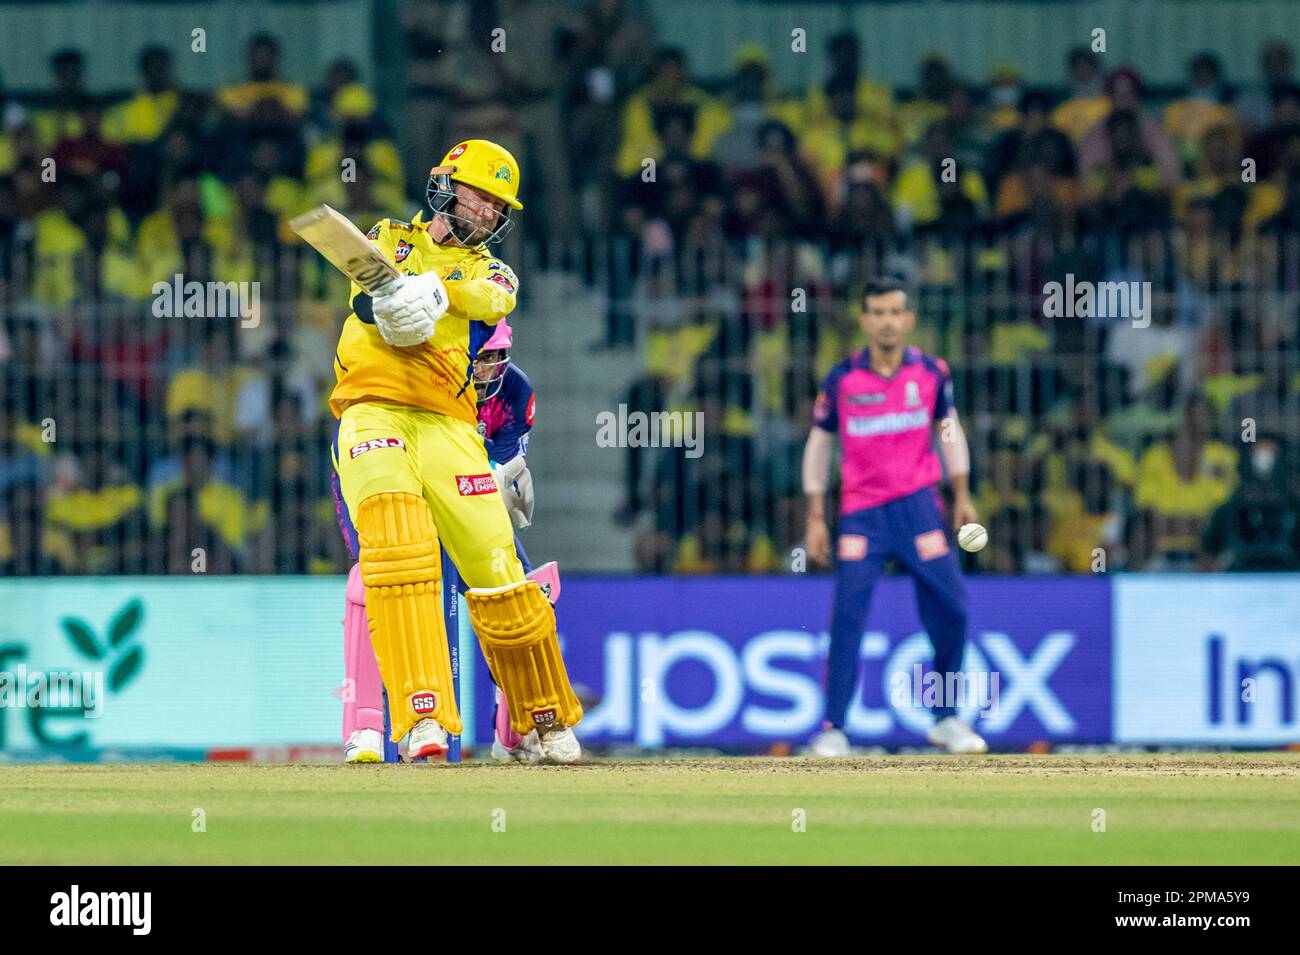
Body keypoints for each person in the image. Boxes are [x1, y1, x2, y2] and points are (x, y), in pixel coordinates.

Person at [330, 138, 583, 765]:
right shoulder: (389, 237)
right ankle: (422, 721)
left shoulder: (488, 268)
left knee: (499, 571)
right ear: (445, 184)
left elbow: (497, 297)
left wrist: (433, 294)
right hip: (372, 411)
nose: (490, 215)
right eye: (481, 198)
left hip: (449, 423)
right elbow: (363, 288)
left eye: (500, 208)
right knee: (398, 546)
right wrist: (387, 304)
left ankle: (545, 714)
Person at [803, 278, 987, 756]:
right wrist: (815, 515)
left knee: (953, 609)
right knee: (848, 617)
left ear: (908, 319)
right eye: (877, 312)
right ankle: (834, 728)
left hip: (920, 507)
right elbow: (820, 444)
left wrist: (962, 493)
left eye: (894, 312)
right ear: (864, 321)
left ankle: (946, 719)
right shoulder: (843, 378)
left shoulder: (930, 372)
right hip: (862, 512)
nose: (886, 321)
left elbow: (949, 429)